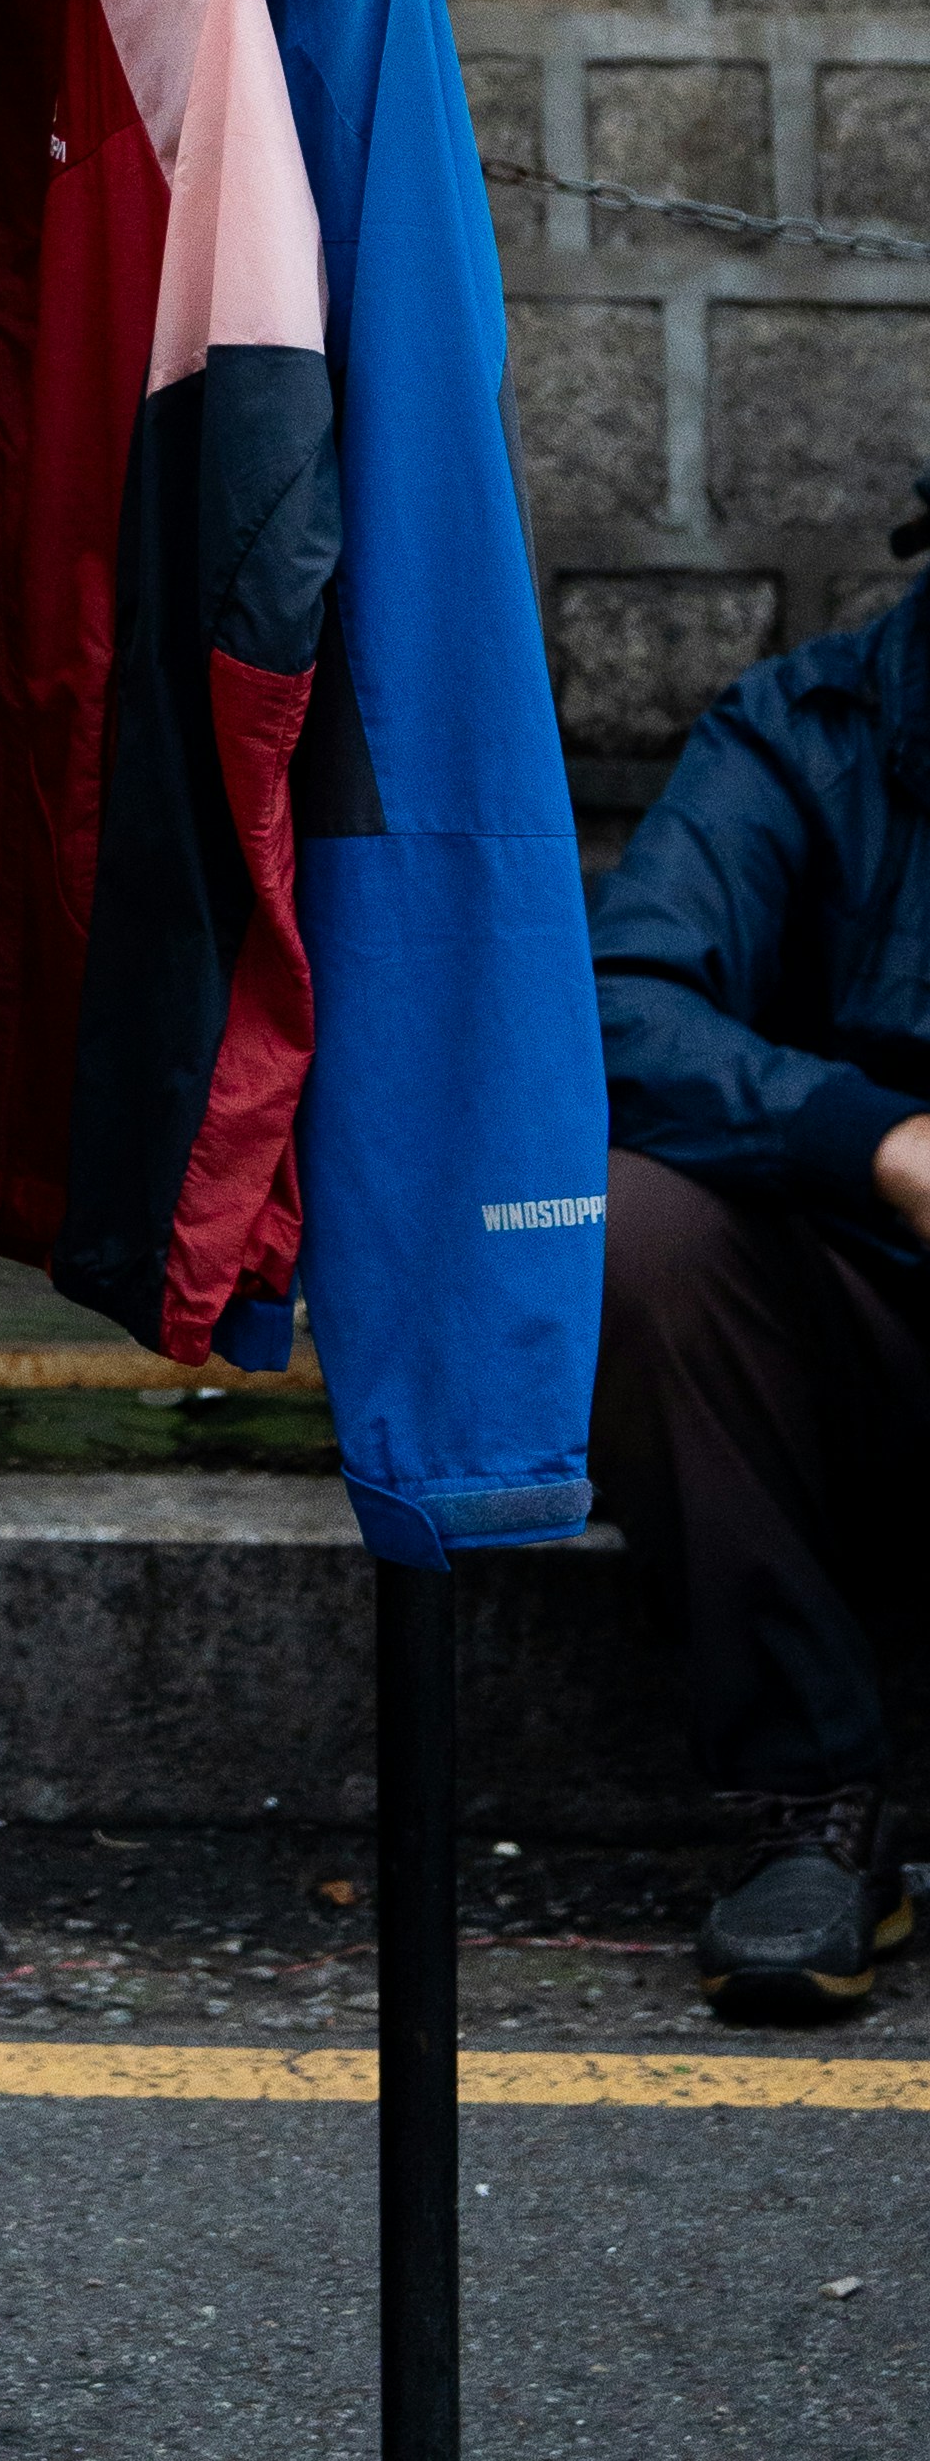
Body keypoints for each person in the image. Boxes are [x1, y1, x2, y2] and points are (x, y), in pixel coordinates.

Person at [592, 468, 930, 2019]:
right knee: (632, 1228)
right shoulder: (799, 731)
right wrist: (872, 1139)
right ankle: (814, 1809)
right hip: (860, 1321)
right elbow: (624, 1005)